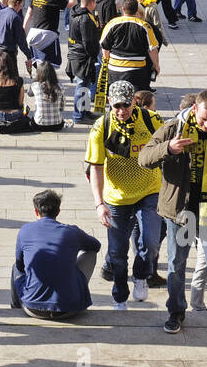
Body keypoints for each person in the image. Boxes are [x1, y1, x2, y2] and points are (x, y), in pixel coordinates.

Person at [139, 90, 207, 358]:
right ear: (195, 110)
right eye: (205, 119)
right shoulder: (174, 126)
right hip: (181, 211)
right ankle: (176, 312)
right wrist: (169, 148)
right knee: (176, 265)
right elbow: (144, 158)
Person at [85, 79, 163, 309]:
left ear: (134, 103)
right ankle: (120, 290)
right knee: (117, 253)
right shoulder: (102, 127)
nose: (121, 110)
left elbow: (167, 150)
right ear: (110, 102)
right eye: (117, 105)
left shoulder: (152, 120)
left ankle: (141, 275)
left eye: (126, 105)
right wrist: (99, 204)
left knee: (150, 243)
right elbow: (96, 167)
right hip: (117, 197)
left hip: (149, 190)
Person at [11, 190, 101, 321]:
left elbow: (20, 265)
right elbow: (95, 246)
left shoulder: (25, 230)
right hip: (69, 309)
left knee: (15, 266)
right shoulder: (72, 231)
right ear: (58, 211)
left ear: (36, 212)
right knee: (90, 254)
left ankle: (16, 307)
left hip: (32, 308)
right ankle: (76, 290)